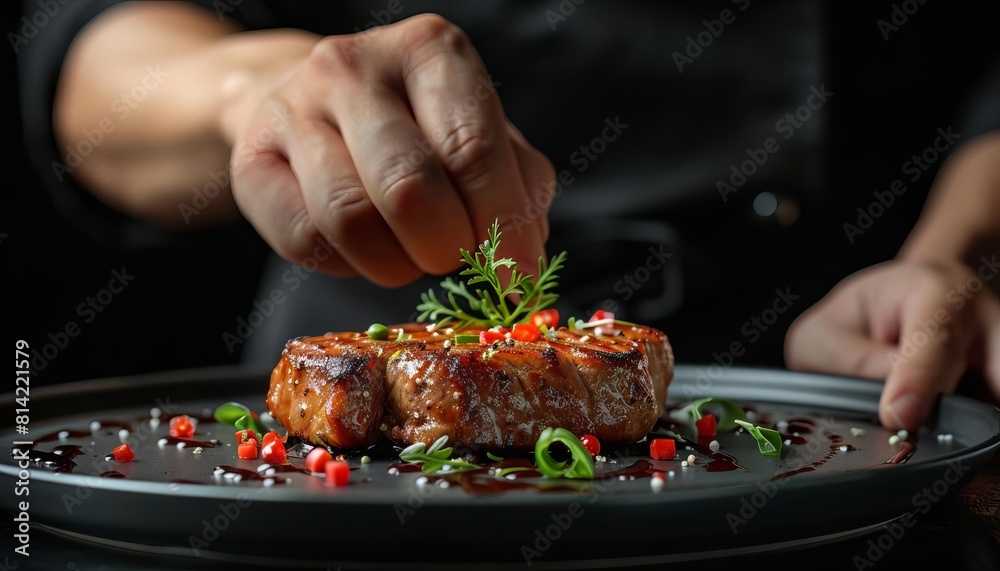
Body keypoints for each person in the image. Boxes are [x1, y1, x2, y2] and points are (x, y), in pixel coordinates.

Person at [17, 0, 1000, 433]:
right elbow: (91, 62)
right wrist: (255, 87)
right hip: (363, 380)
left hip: (826, 370)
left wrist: (953, 254)